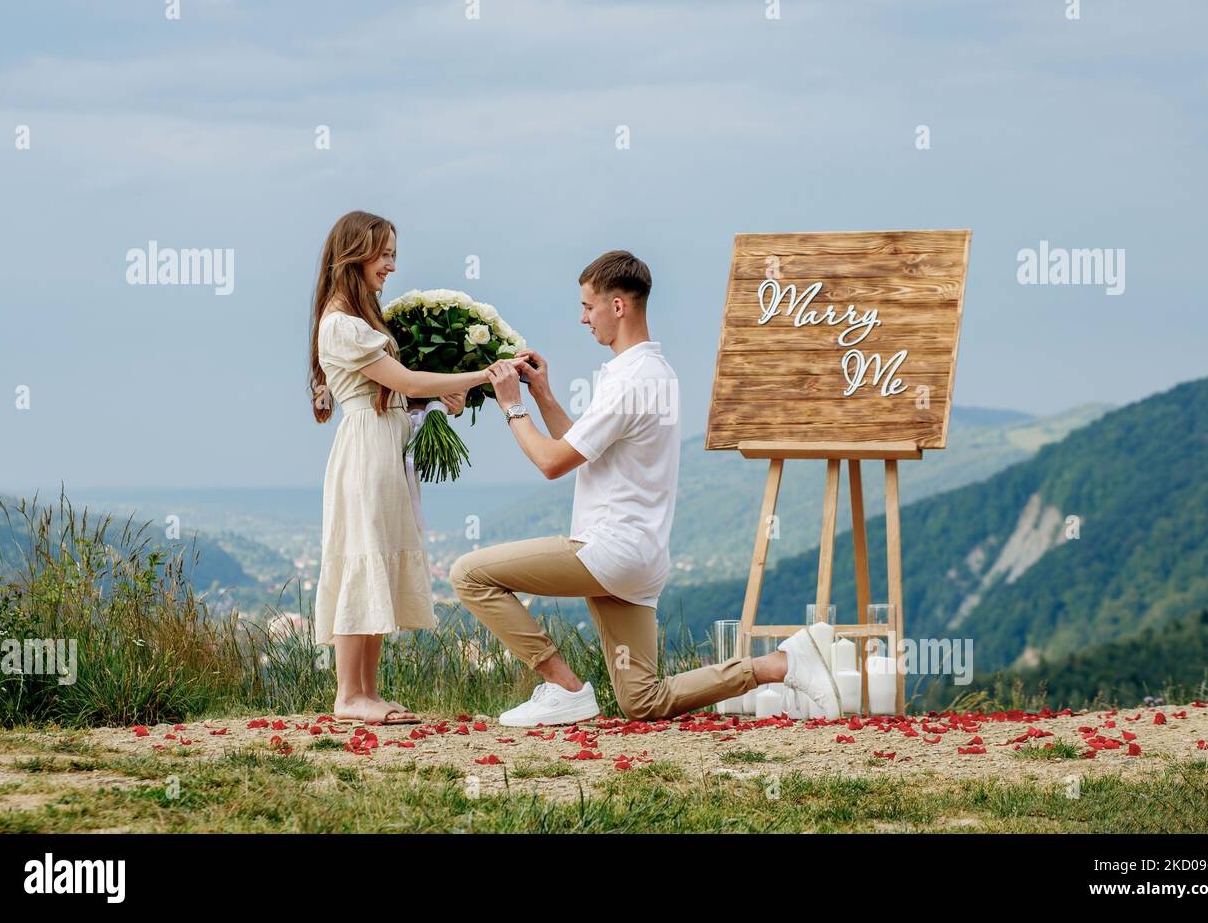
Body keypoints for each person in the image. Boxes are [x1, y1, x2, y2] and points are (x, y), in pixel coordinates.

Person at [450, 250, 838, 725]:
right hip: (640, 557)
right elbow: (582, 447)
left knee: (469, 574)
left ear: (618, 307)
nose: (582, 318)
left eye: (588, 306)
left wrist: (512, 405)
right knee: (643, 700)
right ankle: (776, 664)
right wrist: (543, 395)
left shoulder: (629, 381)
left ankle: (564, 688)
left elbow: (553, 463)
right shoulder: (656, 374)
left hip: (606, 550)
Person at [308, 210, 507, 725]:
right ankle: (349, 695)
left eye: (394, 254)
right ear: (356, 252)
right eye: (385, 253)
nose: (392, 265)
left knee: (377, 557)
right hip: (366, 452)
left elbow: (399, 396)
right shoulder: (342, 325)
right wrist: (482, 374)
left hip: (384, 445)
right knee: (363, 556)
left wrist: (436, 404)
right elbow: (407, 381)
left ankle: (366, 693)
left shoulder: (360, 320)